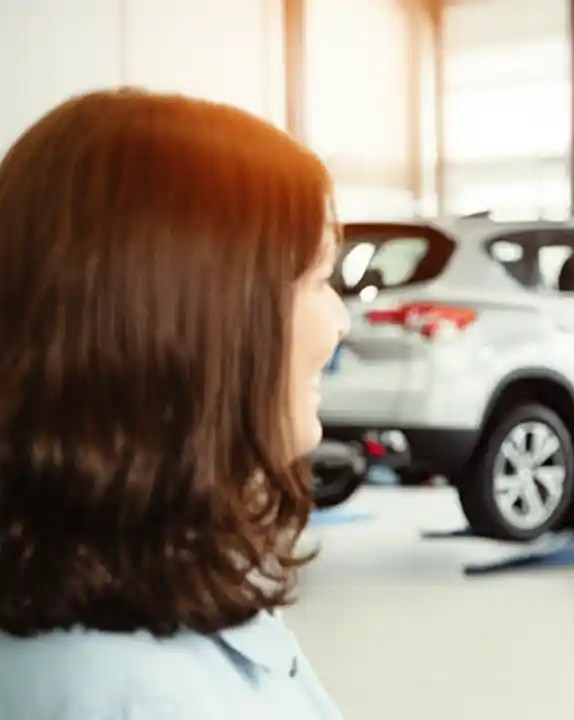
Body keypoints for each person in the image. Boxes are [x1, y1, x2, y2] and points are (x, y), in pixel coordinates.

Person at [0, 89, 350, 719]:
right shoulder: (143, 695)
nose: (340, 322)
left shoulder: (133, 601)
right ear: (205, 318)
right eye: (319, 279)